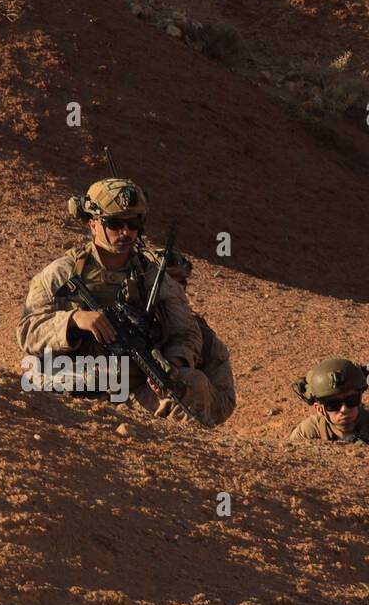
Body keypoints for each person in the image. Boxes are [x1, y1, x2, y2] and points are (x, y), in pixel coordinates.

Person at [17, 177, 224, 424]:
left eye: (133, 223)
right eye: (115, 223)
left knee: (192, 384)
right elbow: (27, 331)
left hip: (136, 385)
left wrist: (170, 366)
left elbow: (186, 333)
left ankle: (178, 452)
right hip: (79, 382)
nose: (126, 232)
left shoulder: (153, 277)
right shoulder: (63, 273)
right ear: (93, 224)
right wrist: (74, 320)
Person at [162, 250, 236, 425]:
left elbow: (226, 401)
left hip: (185, 397)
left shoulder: (198, 332)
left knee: (193, 382)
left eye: (176, 285)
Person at [290, 358, 369, 449]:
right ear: (319, 409)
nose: (344, 409)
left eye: (352, 400)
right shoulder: (311, 430)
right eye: (333, 404)